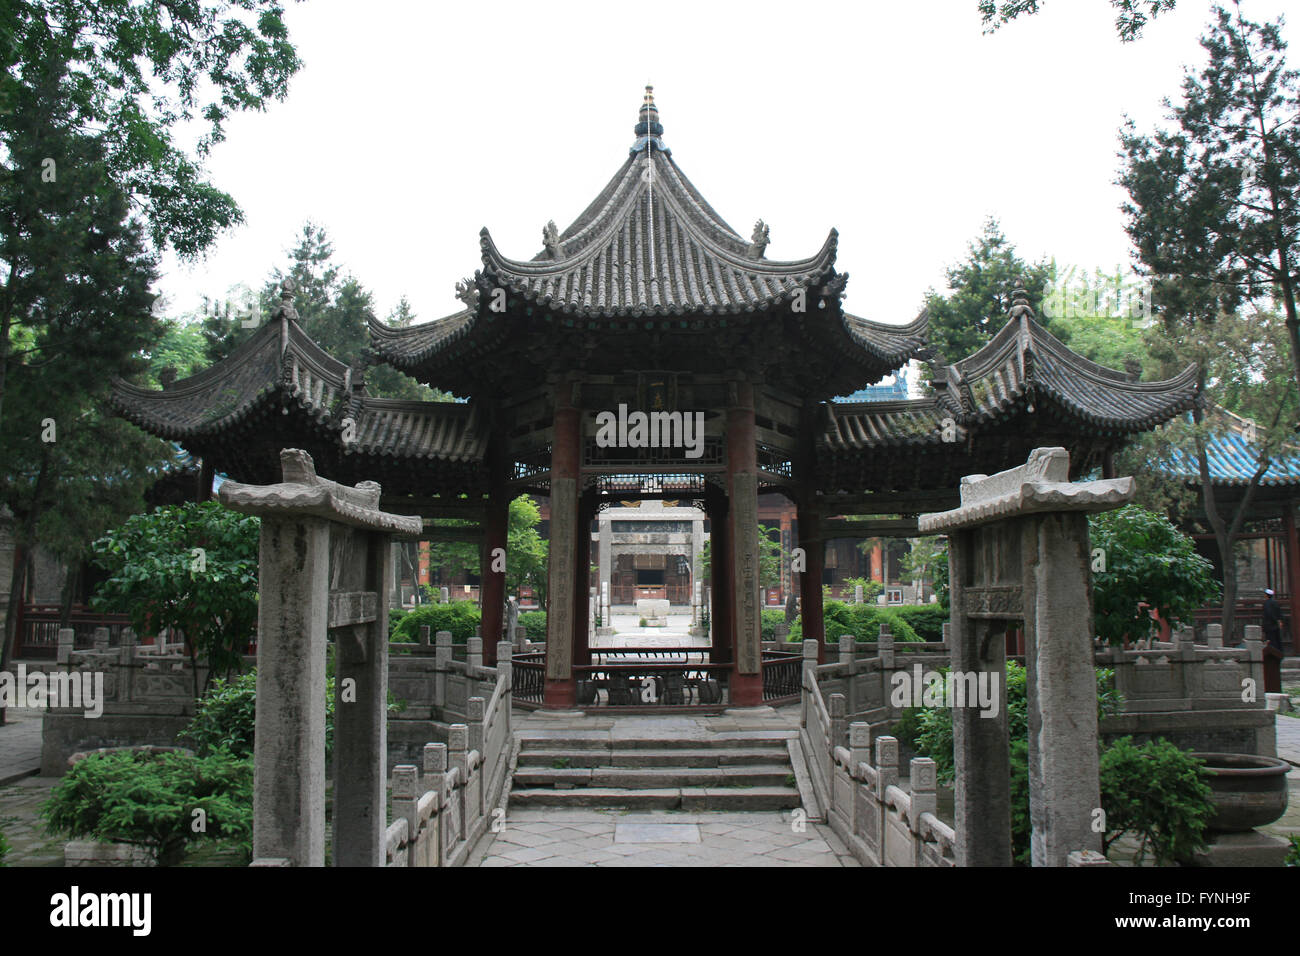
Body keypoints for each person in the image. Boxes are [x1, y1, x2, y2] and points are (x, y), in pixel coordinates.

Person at [1261, 588, 1285, 695]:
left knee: (1271, 642)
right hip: (1275, 626)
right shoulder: (1275, 603)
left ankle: (1274, 656)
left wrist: (1273, 621)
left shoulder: (1267, 604)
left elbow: (1269, 614)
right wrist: (1279, 621)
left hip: (1269, 626)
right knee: (1276, 640)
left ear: (1266, 596)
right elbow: (1279, 614)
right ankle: (1279, 654)